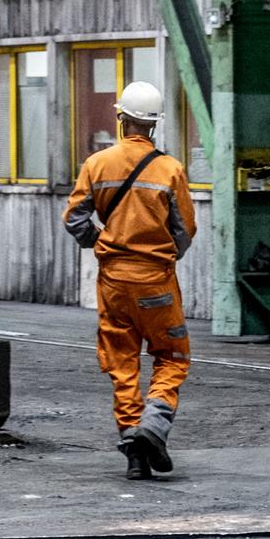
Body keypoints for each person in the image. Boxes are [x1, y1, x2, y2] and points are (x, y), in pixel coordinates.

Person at [62, 80, 197, 480]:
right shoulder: (169, 169)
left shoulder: (96, 164)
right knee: (171, 357)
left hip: (113, 282)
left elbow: (74, 220)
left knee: (122, 363)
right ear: (153, 125)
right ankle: (153, 428)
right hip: (156, 280)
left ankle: (133, 450)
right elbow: (185, 230)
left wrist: (103, 243)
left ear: (121, 119)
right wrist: (161, 255)